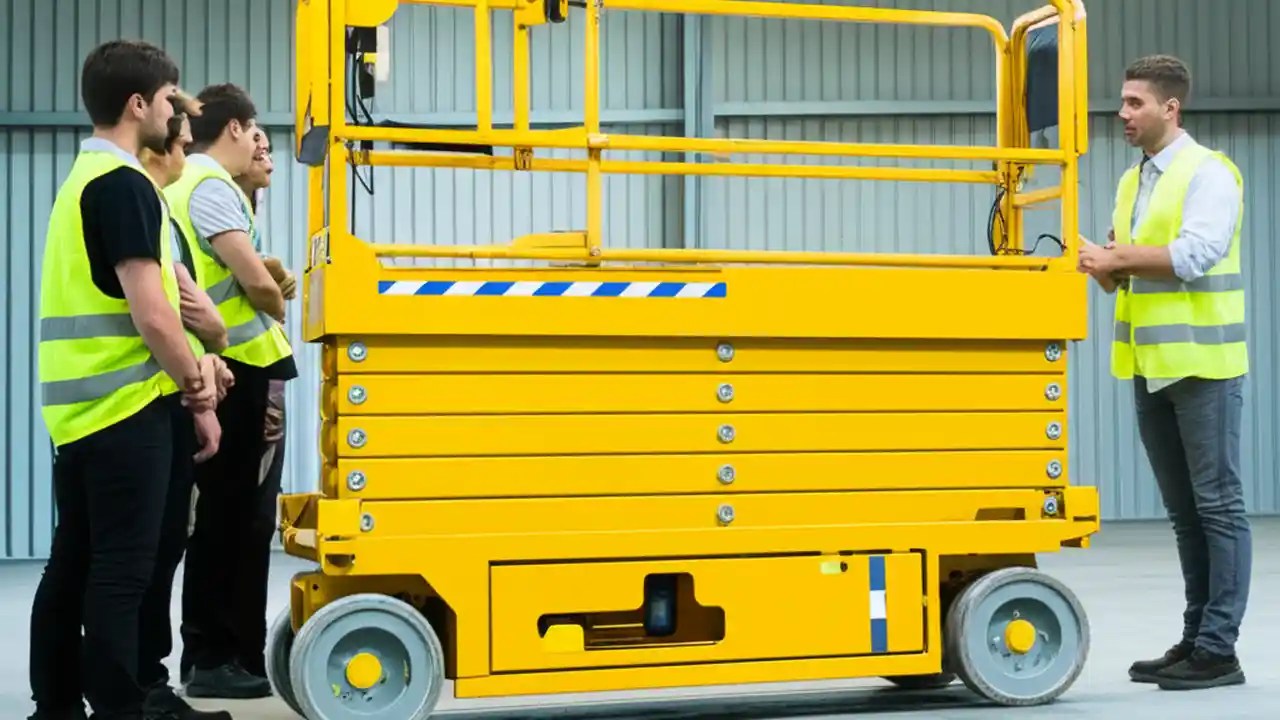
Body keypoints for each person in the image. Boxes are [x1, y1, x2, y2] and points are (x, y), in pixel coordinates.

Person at [30, 40, 223, 720]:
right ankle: (122, 707)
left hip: (80, 416)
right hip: (125, 408)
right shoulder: (124, 185)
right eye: (172, 99)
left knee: (72, 567)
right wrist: (197, 386)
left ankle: (55, 707)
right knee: (121, 571)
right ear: (139, 104)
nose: (179, 113)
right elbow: (153, 313)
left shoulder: (79, 181)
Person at [1078, 54, 1251, 692]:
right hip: (1151, 365)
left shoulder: (1210, 173)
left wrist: (1117, 255)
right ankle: (1195, 638)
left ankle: (1219, 650)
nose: (1121, 114)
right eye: (1121, 103)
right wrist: (1104, 267)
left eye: (1134, 103)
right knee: (1185, 513)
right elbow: (1127, 273)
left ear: (1170, 108)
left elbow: (1196, 255)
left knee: (1219, 509)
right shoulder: (1132, 182)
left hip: (1204, 365)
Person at [166, 83, 298, 700]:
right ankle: (220, 657)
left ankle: (220, 653)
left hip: (232, 370)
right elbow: (257, 285)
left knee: (225, 519)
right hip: (242, 370)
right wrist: (272, 295)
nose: (261, 148)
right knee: (240, 522)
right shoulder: (210, 183)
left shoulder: (190, 186)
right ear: (239, 129)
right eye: (258, 136)